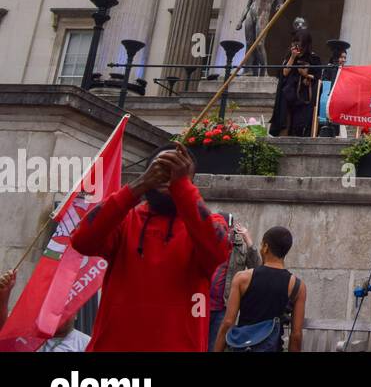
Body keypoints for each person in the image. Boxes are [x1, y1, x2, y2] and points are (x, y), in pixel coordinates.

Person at [69, 144, 231, 351]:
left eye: (177, 172)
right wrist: (138, 185)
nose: (167, 179)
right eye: (161, 170)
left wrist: (181, 187)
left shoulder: (210, 225)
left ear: (190, 181)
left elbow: (217, 249)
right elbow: (81, 240)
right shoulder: (126, 220)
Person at [215, 226, 307, 352]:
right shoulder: (297, 286)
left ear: (265, 247)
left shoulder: (242, 278)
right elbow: (296, 335)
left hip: (243, 347)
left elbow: (228, 323)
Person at [208, 213, 260, 350]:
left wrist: (249, 242)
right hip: (200, 306)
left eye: (229, 229)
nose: (227, 233)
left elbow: (258, 270)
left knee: (215, 346)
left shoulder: (240, 249)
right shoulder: (206, 244)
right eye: (223, 229)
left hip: (222, 308)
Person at [269, 31, 322, 137]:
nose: (297, 46)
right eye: (295, 43)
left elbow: (318, 76)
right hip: (288, 93)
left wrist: (306, 75)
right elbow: (284, 73)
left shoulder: (313, 58)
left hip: (303, 95)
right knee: (285, 120)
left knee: (299, 123)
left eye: (300, 43)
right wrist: (292, 57)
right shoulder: (289, 56)